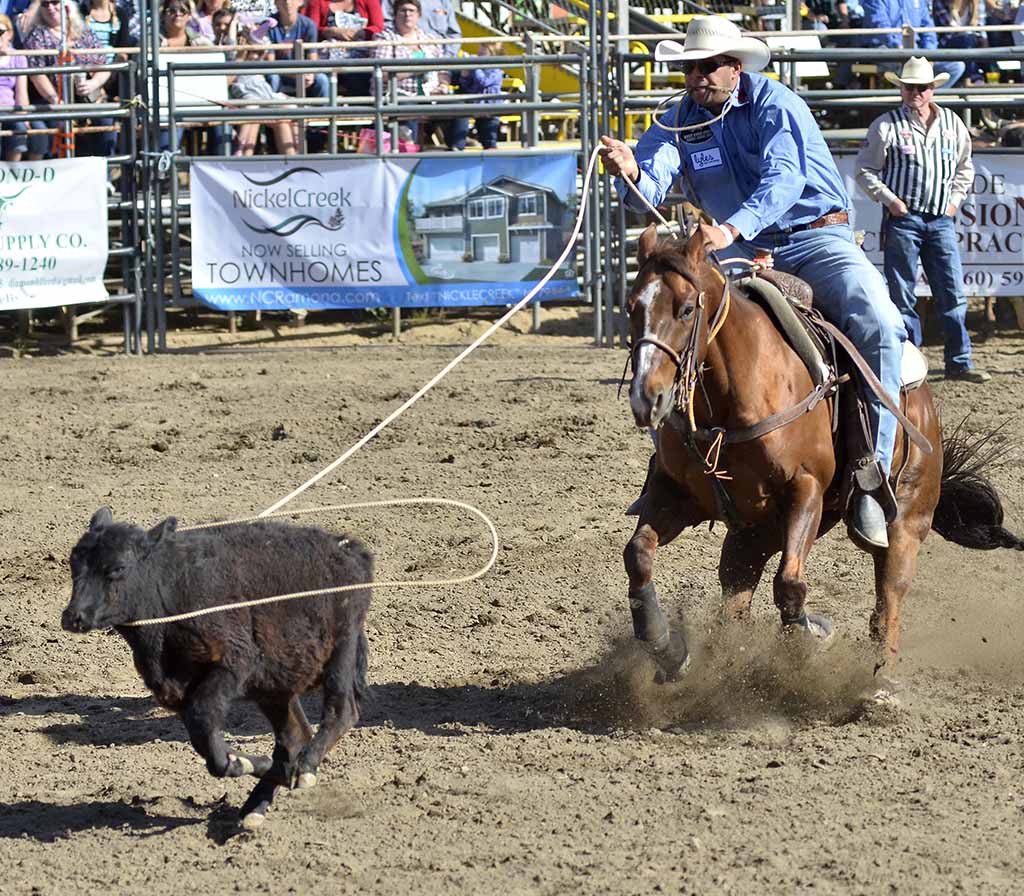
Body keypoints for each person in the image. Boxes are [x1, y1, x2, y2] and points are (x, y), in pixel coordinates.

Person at [599, 15, 907, 549]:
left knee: (878, 323)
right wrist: (630, 171)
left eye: (707, 67)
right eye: (690, 68)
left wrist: (730, 229)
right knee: (682, 329)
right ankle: (670, 472)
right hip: (738, 249)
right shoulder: (678, 120)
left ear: (734, 68)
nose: (697, 76)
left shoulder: (775, 104)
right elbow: (650, 184)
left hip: (814, 239)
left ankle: (870, 476)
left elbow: (784, 178)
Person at [856, 57, 990, 384]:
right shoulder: (886, 126)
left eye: (922, 87)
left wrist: (954, 203)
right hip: (905, 219)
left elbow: (965, 167)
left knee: (951, 292)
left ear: (932, 90)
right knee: (903, 296)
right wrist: (892, 201)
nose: (916, 92)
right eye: (910, 87)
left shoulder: (952, 124)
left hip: (939, 218)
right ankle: (910, 364)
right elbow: (864, 170)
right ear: (901, 89)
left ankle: (958, 361)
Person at [21, 0, 116, 157]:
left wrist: (94, 83)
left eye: (54, 2)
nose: (50, 7)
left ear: (66, 6)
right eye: (45, 4)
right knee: (56, 122)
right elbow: (37, 74)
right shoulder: (37, 35)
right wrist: (55, 100)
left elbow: (103, 65)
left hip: (85, 97)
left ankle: (105, 165)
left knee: (106, 119)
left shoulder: (84, 32)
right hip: (51, 98)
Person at [372, 0, 448, 143]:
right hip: (396, 94)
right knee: (409, 108)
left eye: (411, 11)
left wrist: (443, 85)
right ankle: (409, 149)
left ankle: (456, 149)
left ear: (419, 15)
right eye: (403, 10)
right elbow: (383, 74)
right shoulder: (385, 38)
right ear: (394, 15)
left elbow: (443, 70)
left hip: (430, 94)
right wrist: (416, 69)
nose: (407, 14)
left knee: (458, 105)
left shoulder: (430, 39)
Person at [861, 0, 966, 88]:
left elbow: (928, 29)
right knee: (909, 67)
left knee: (956, 67)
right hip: (885, 48)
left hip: (915, 49)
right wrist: (899, 47)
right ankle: (913, 98)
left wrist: (929, 54)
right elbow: (880, 26)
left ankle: (923, 99)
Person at [228, 21, 297, 154]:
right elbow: (231, 74)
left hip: (262, 90)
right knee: (252, 108)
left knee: (290, 108)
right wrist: (243, 49)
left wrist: (255, 36)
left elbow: (265, 49)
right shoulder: (234, 51)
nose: (255, 55)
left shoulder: (261, 49)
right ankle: (240, 149)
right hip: (245, 90)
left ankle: (296, 155)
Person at [303, 0, 383, 95]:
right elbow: (311, 29)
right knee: (322, 80)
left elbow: (379, 28)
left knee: (360, 77)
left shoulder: (370, 1)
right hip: (327, 60)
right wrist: (330, 31)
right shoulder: (317, 2)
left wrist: (359, 33)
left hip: (359, 60)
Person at [447, 40, 503, 150]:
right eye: (480, 48)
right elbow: (469, 86)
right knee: (480, 130)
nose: (480, 51)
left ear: (493, 53)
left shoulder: (496, 70)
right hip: (477, 104)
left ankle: (491, 149)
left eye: (484, 50)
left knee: (489, 135)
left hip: (490, 106)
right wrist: (464, 75)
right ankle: (458, 145)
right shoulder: (476, 68)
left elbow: (484, 82)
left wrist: (475, 66)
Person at [267, 0, 328, 100]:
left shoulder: (308, 25)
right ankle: (270, 109)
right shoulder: (269, 25)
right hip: (281, 73)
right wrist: (297, 74)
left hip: (303, 72)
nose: (287, 2)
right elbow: (270, 63)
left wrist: (310, 73)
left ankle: (325, 109)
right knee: (273, 77)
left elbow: (312, 57)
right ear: (276, 3)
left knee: (322, 79)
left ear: (300, 2)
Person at [0, 12, 34, 161]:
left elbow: (21, 93)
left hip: (10, 109)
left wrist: (24, 117)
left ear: (9, 34)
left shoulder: (18, 57)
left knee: (20, 127)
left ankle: (12, 171)